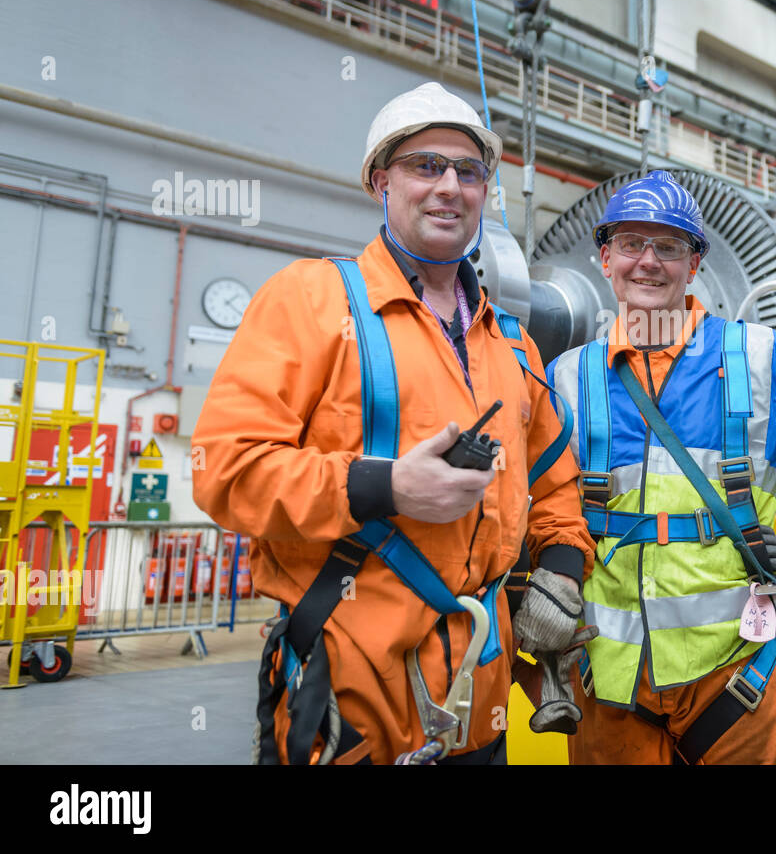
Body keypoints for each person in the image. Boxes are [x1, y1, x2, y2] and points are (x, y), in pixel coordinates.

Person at [192, 82, 595, 765]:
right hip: (352, 703)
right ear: (381, 181)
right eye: (425, 165)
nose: (449, 187)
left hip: (482, 707)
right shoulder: (311, 302)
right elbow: (225, 471)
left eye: (468, 172)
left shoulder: (514, 347)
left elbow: (556, 486)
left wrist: (560, 568)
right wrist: (383, 487)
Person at [545, 170, 776, 765]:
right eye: (630, 244)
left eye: (668, 246)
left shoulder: (763, 360)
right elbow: (543, 501)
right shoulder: (567, 377)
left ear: (694, 264)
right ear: (604, 257)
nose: (647, 262)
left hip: (734, 677)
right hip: (608, 677)